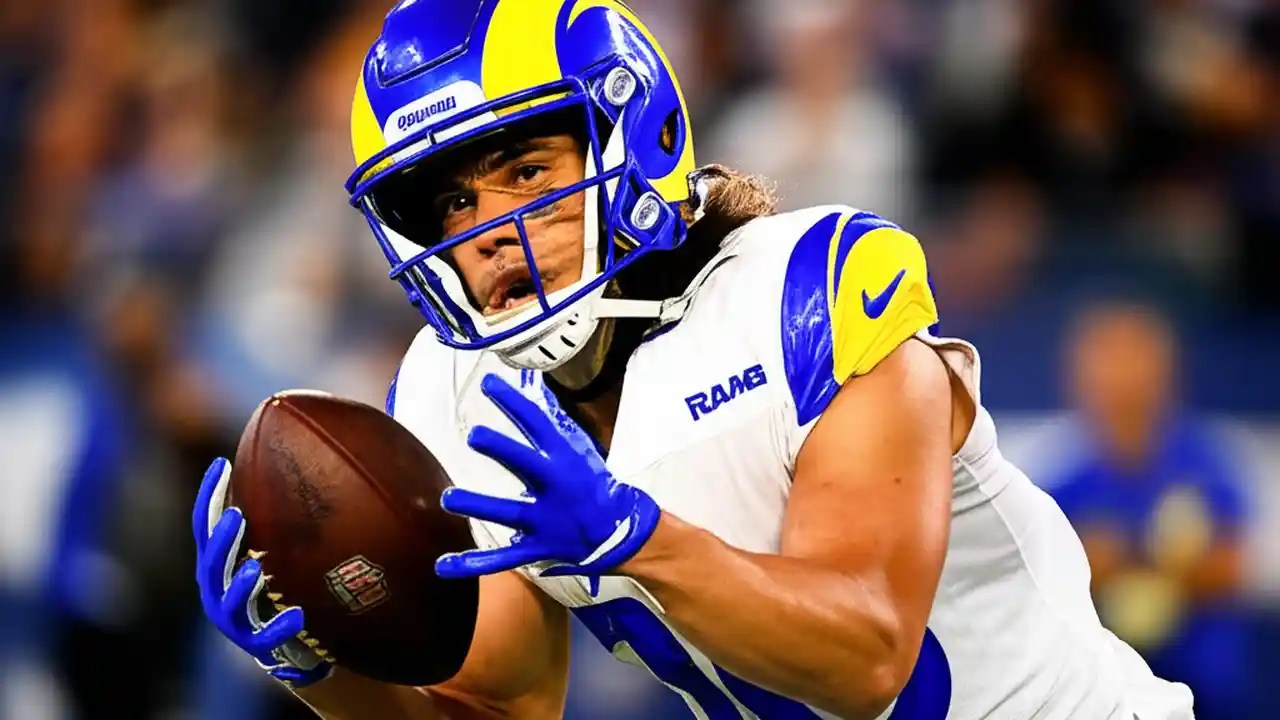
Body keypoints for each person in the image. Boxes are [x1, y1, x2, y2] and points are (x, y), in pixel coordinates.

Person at [193, 1, 1195, 718]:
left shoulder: (813, 287)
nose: (487, 231)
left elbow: (867, 657)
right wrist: (326, 673)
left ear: (632, 140)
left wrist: (638, 539)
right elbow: (503, 705)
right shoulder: (450, 392)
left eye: (524, 171)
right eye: (449, 203)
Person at [1049, 304, 1251, 719]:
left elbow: (1232, 568)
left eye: (1133, 356)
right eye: (1106, 360)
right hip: (1099, 700)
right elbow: (1044, 583)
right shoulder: (1060, 483)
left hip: (1206, 693)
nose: (1122, 379)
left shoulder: (1209, 465)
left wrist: (1131, 555)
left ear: (1168, 371)